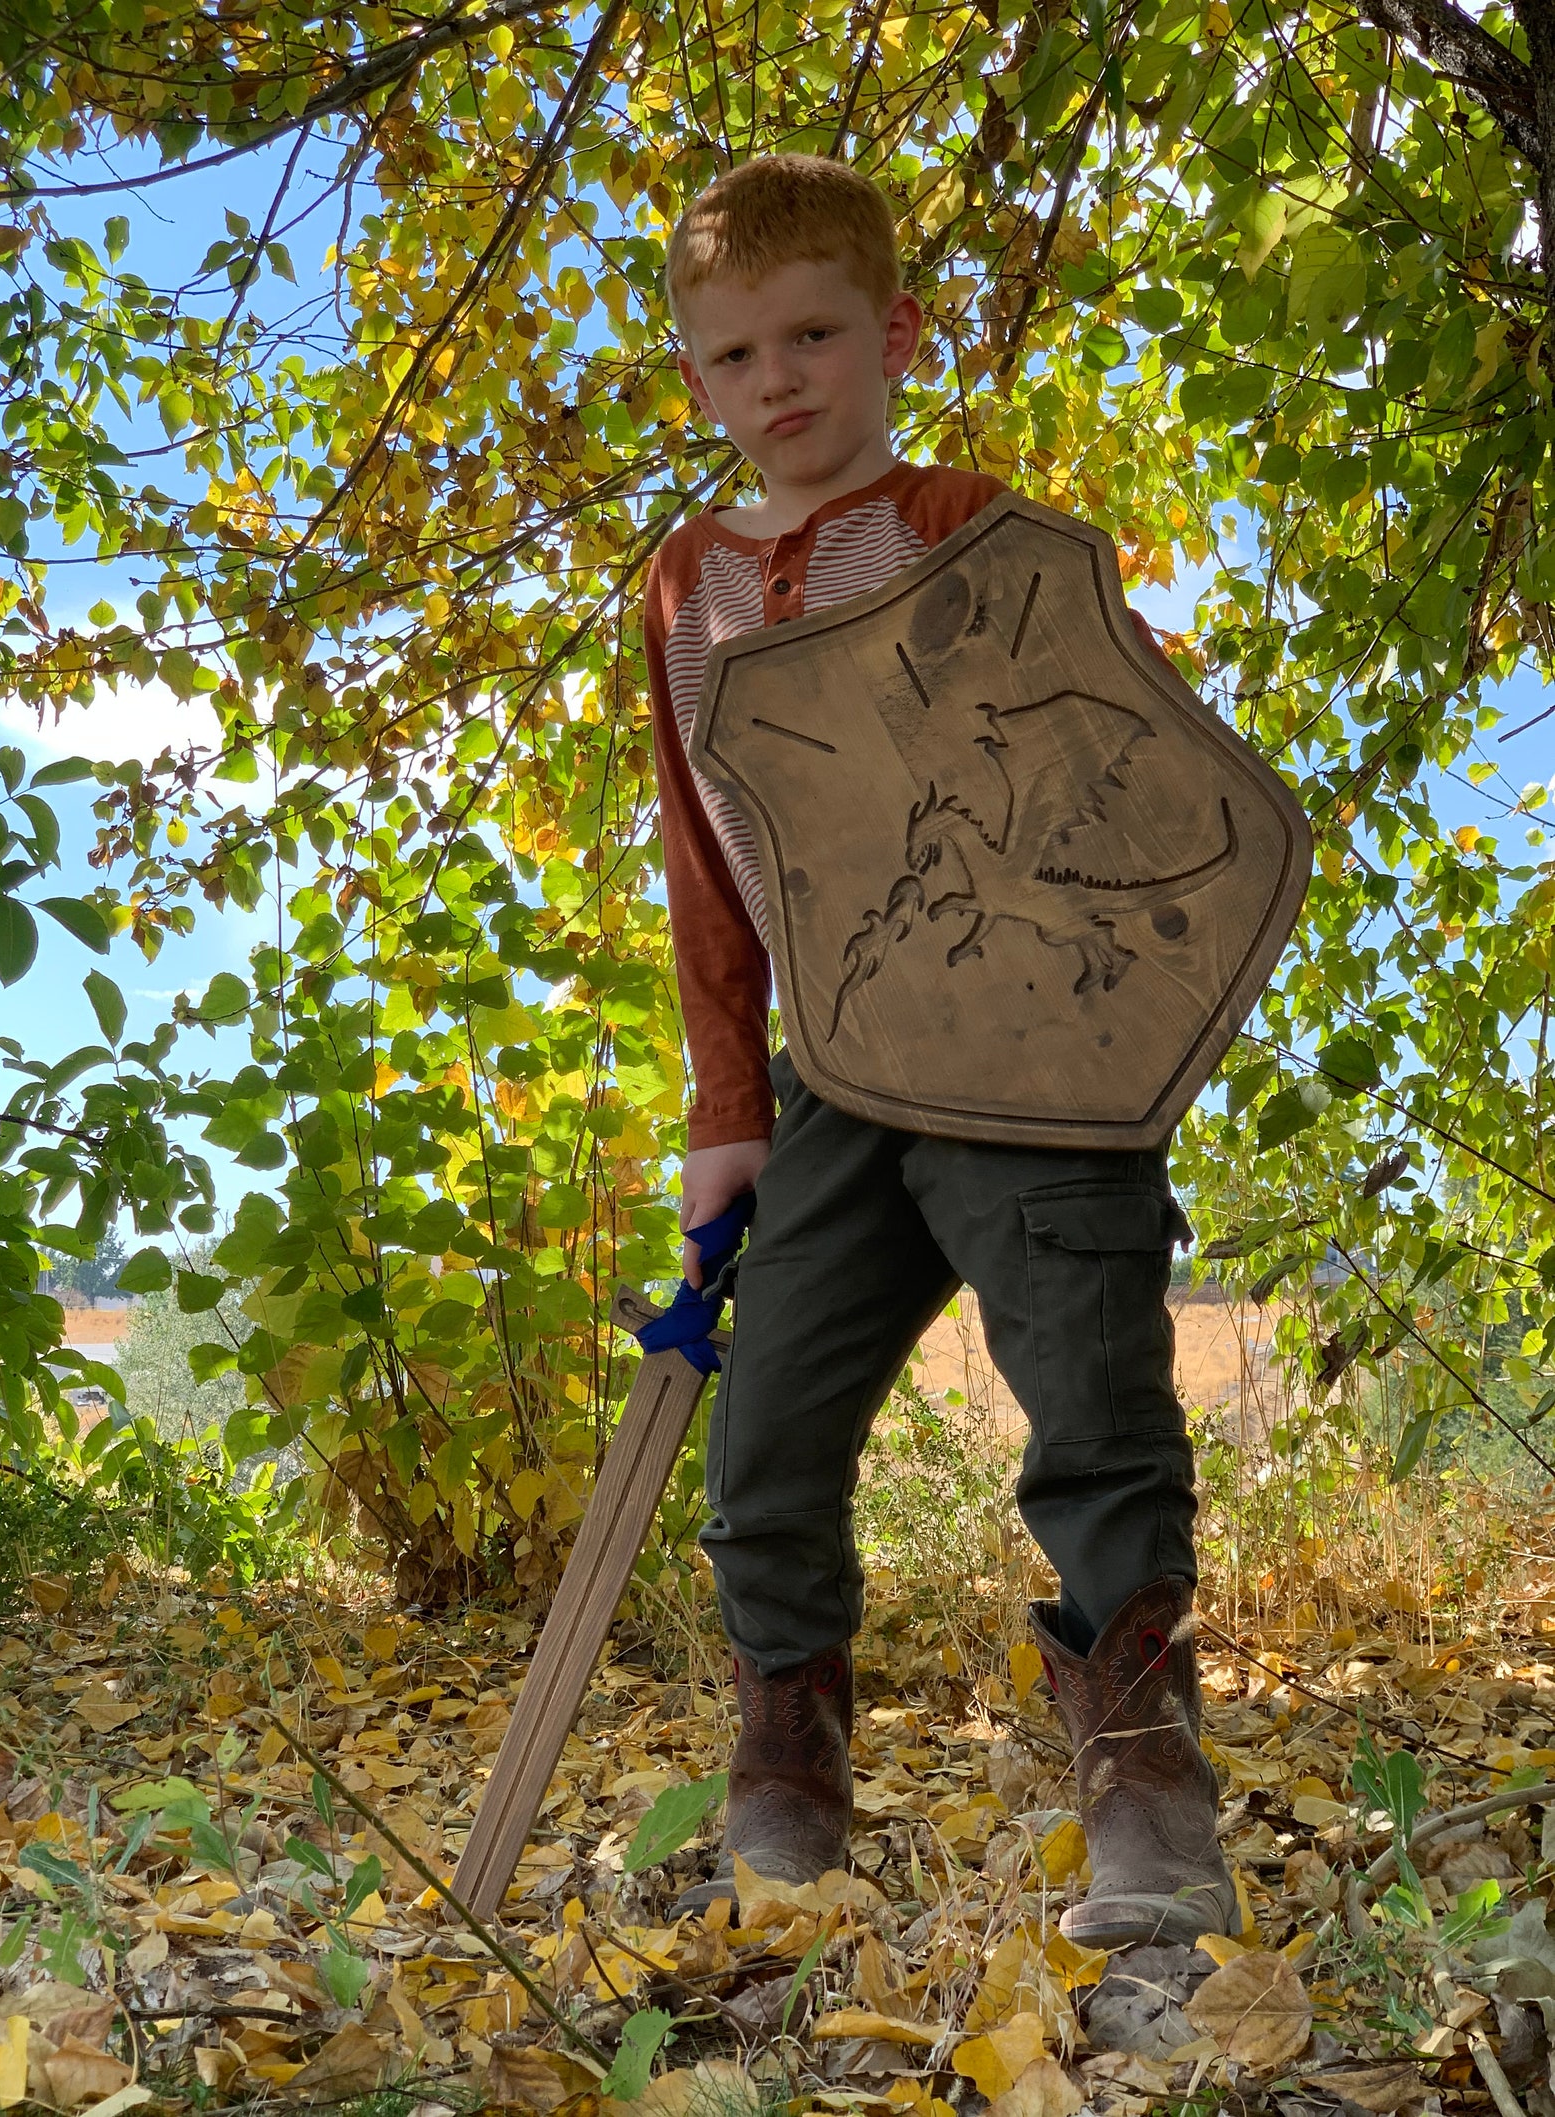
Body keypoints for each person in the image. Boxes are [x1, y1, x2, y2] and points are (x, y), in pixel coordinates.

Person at [641, 152, 1237, 1949]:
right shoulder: (681, 591)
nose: (778, 381)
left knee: (1093, 1393)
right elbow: (706, 864)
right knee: (770, 1428)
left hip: (1027, 1048)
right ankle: (789, 1782)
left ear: (893, 333)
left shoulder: (983, 531)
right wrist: (727, 1111)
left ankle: (1144, 1775)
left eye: (813, 334)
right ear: (699, 380)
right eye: (735, 355)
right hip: (828, 1067)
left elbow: (1127, 780)